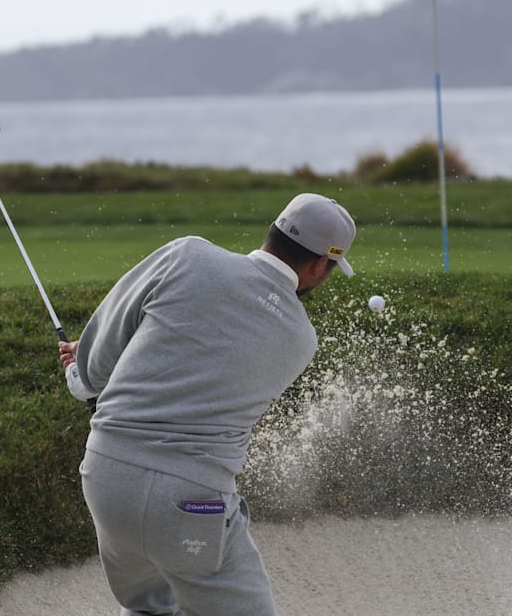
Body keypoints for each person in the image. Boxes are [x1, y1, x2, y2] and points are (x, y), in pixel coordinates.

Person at [58, 192, 357, 616]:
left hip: (106, 477)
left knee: (149, 606)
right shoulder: (300, 339)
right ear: (318, 265)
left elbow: (96, 367)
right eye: (329, 269)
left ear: (272, 231)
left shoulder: (188, 254)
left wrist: (80, 374)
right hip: (189, 500)